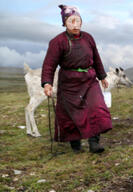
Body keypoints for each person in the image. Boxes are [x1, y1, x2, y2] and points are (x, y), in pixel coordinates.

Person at [41, 5, 112, 153]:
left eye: (78, 21)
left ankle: (94, 143)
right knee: (71, 114)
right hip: (69, 82)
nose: (75, 25)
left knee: (97, 108)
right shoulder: (58, 41)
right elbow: (49, 64)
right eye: (71, 21)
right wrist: (47, 83)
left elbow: (96, 58)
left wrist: (102, 76)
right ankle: (75, 145)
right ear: (65, 23)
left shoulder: (88, 38)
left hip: (89, 79)